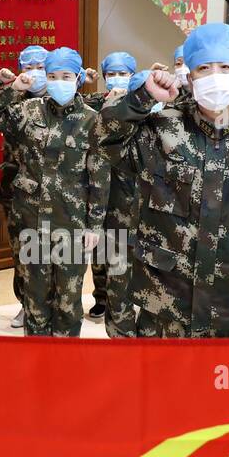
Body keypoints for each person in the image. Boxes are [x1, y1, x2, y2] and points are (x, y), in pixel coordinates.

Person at [97, 22, 229, 338]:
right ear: (189, 77)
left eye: (225, 66)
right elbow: (104, 139)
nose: (215, 75)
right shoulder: (161, 130)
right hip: (167, 299)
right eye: (204, 68)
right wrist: (144, 97)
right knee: (165, 387)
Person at [0, 46, 107, 337]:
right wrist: (14, 88)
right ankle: (37, 359)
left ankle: (65, 361)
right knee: (35, 296)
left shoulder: (91, 120)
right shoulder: (27, 111)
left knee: (67, 298)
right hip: (30, 221)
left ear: (77, 78)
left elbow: (99, 177)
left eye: (66, 75)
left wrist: (95, 225)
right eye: (52, 75)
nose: (59, 81)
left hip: (71, 223)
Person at [0, 44, 49, 328]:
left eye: (40, 67)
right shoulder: (14, 103)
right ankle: (26, 305)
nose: (35, 74)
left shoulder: (65, 100)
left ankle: (54, 307)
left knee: (60, 255)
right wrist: (9, 85)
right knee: (25, 253)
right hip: (19, 190)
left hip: (60, 194)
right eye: (28, 68)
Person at [83, 51, 138, 321]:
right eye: (111, 74)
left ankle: (129, 298)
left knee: (127, 250)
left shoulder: (140, 106)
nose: (117, 79)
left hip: (132, 191)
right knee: (100, 249)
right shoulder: (95, 103)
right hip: (101, 188)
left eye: (123, 73)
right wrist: (83, 79)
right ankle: (101, 298)